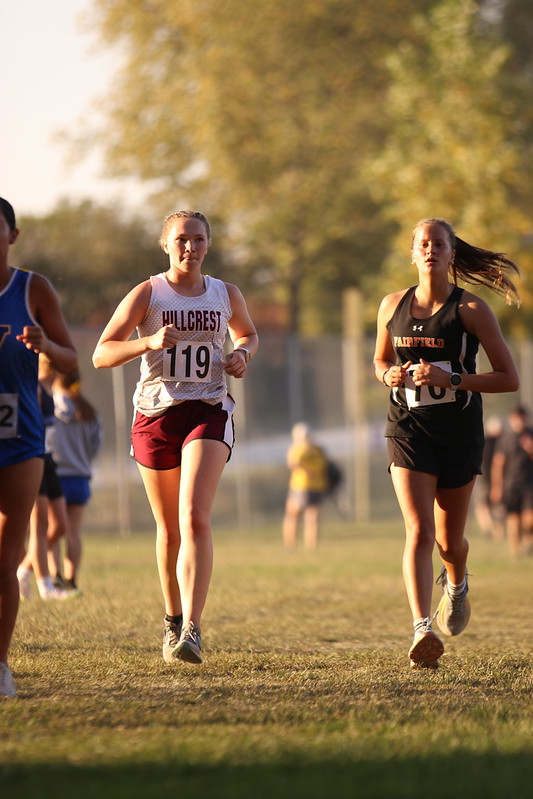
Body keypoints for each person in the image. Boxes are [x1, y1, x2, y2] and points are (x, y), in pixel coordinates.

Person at [92, 210, 258, 665]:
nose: (190, 247)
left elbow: (247, 334)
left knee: (193, 516)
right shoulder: (148, 293)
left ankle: (192, 629)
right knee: (168, 529)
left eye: (198, 239)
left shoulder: (226, 293)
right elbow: (102, 354)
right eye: (182, 239)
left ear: (208, 244)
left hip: (208, 409)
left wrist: (242, 354)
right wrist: (146, 343)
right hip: (155, 415)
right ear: (165, 244)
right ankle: (172, 618)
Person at [373, 217, 520, 669]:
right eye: (423, 244)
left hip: (458, 433)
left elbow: (508, 378)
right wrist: (388, 374)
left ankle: (456, 585)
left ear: (452, 253)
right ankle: (422, 628)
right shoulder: (391, 305)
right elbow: (379, 359)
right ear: (412, 253)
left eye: (439, 244)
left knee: (449, 541)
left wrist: (450, 378)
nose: (430, 250)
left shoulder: (471, 309)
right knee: (418, 530)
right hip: (408, 428)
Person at [0, 197, 77, 697]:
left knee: (4, 560)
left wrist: (46, 346)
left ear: (12, 234)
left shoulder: (33, 289)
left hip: (19, 440)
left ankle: (0, 665)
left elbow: (72, 361)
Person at [16, 355, 72, 601]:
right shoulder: (36, 387)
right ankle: (45, 586)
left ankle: (23, 570)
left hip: (49, 460)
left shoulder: (52, 389)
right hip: (36, 457)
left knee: (60, 525)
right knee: (38, 525)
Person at [48, 370, 103, 594]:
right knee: (73, 531)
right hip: (80, 477)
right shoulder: (89, 411)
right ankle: (72, 579)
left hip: (55, 476)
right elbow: (96, 445)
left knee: (53, 530)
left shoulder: (50, 406)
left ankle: (55, 577)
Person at [490, 406, 533, 557]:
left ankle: (528, 541)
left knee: (529, 519)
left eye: (522, 418)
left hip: (529, 483)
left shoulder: (530, 434)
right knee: (513, 517)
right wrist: (496, 487)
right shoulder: (506, 438)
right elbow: (498, 464)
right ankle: (516, 551)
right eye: (516, 418)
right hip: (511, 484)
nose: (519, 421)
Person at [282, 422, 329, 550]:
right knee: (307, 517)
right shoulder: (314, 449)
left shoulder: (301, 449)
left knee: (300, 516)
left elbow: (292, 463)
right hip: (308, 486)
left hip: (304, 486)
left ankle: (296, 545)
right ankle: (304, 546)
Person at [473, 415, 505, 542]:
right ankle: (496, 530)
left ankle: (489, 528)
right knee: (494, 505)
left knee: (483, 505)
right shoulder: (502, 443)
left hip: (484, 477)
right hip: (493, 478)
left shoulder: (483, 441)